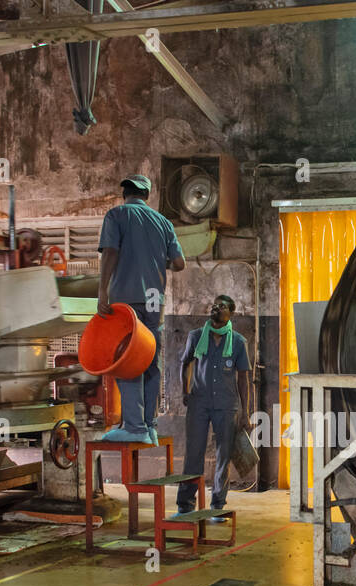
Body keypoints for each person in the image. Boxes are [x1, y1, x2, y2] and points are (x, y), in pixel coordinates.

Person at [98, 174, 185, 445]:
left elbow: (110, 252)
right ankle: (149, 426)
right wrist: (155, 262)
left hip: (126, 299)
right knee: (150, 360)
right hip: (153, 301)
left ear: (125, 193)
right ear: (147, 196)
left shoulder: (116, 216)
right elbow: (179, 263)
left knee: (129, 359)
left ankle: (134, 427)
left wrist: (102, 289)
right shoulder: (164, 223)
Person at [175, 295, 251, 521]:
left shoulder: (238, 342)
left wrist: (245, 411)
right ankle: (185, 504)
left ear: (231, 314)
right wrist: (185, 391)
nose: (216, 308)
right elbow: (186, 363)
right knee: (193, 454)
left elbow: (244, 379)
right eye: (215, 304)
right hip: (199, 403)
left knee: (223, 455)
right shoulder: (196, 336)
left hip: (227, 406)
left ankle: (218, 505)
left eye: (223, 306)